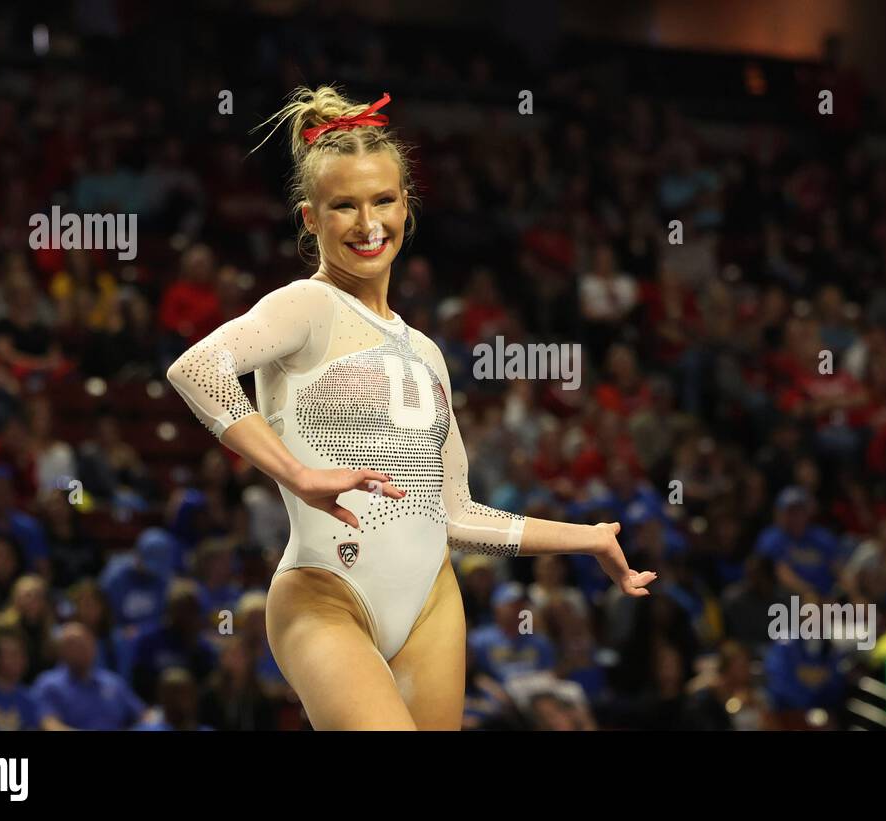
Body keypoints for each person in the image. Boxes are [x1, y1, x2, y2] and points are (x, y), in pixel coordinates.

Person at [167, 85, 655, 730]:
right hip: (326, 596)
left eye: (384, 201)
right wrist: (299, 474)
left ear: (407, 205)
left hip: (431, 603)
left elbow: (452, 514)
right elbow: (194, 368)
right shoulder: (307, 306)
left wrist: (584, 538)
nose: (369, 224)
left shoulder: (424, 349)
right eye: (344, 206)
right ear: (310, 218)